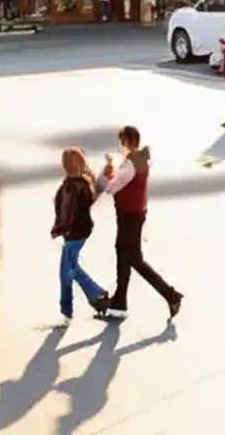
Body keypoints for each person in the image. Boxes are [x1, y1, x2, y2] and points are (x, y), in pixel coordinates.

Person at [100, 126, 182, 320]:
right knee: (128, 256)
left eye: (121, 141)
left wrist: (108, 173)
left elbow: (112, 188)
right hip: (136, 213)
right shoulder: (141, 159)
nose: (120, 146)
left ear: (127, 142)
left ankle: (170, 295)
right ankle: (120, 302)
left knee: (129, 256)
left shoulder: (129, 165)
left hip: (129, 215)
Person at [53, 147, 110, 325]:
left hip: (75, 234)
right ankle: (68, 310)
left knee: (70, 270)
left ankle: (97, 296)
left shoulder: (75, 186)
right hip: (75, 232)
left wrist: (62, 229)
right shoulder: (75, 184)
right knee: (66, 271)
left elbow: (72, 210)